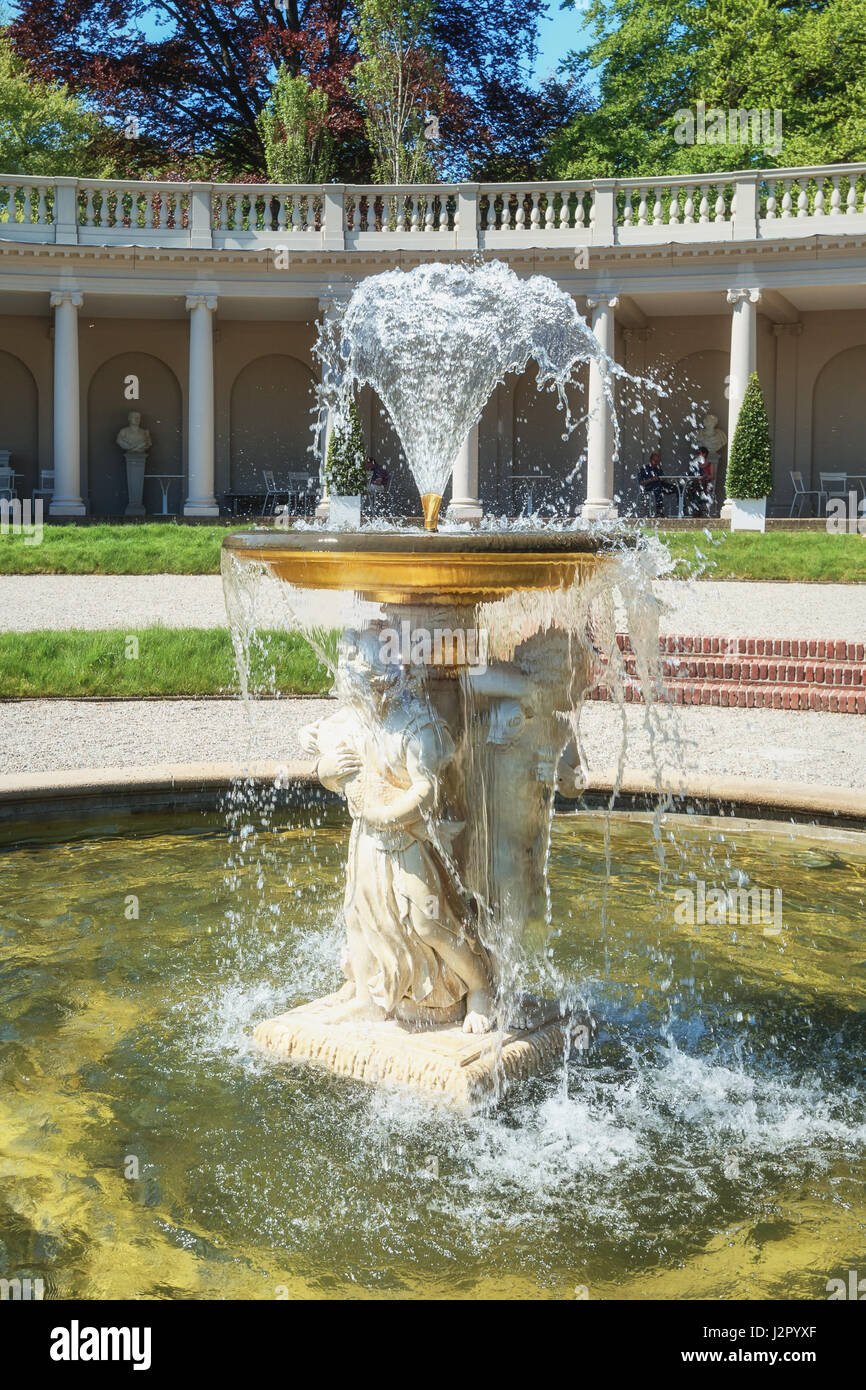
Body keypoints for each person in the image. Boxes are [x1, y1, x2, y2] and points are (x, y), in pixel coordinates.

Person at [638, 451, 673, 516]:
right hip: (648, 487)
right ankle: (659, 511)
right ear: (650, 460)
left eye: (657, 461)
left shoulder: (658, 469)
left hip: (659, 486)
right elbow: (641, 482)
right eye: (654, 460)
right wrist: (651, 479)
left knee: (676, 488)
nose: (655, 463)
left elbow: (662, 478)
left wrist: (663, 478)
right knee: (657, 487)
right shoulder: (644, 469)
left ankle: (682, 508)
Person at [685, 445, 714, 516]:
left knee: (697, 488)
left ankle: (698, 509)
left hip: (705, 484)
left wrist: (705, 477)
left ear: (704, 454)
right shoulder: (694, 463)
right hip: (696, 483)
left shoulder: (710, 464)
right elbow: (690, 476)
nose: (697, 455)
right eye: (697, 454)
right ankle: (698, 508)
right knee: (689, 489)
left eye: (699, 453)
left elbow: (712, 476)